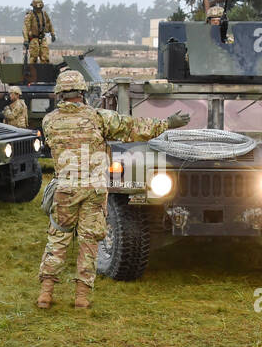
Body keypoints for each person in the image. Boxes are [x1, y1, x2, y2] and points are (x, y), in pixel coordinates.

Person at [37, 69, 190, 309]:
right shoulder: (98, 118)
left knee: (58, 238)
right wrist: (167, 123)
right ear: (82, 93)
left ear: (60, 95)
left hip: (65, 189)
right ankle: (81, 298)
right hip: (94, 190)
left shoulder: (49, 121)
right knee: (89, 241)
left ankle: (45, 294)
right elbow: (132, 127)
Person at [24, 0, 55, 64]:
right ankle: (32, 72)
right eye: (37, 7)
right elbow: (25, 28)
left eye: (40, 7)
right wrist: (26, 40)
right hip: (33, 39)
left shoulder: (44, 14)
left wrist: (52, 34)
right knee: (34, 58)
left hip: (43, 39)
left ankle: (45, 73)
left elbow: (49, 24)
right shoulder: (30, 15)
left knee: (45, 57)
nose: (38, 9)